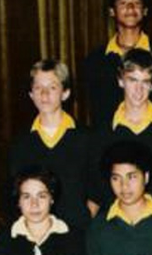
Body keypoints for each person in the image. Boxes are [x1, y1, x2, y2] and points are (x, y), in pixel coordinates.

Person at [87, 50, 152, 214]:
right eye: (132, 80)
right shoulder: (102, 132)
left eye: (145, 82)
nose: (138, 90)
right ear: (120, 81)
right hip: (116, 228)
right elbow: (95, 194)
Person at [8, 59, 95, 228]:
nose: (44, 95)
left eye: (52, 88)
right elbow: (16, 193)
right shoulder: (20, 143)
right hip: (36, 232)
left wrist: (84, 222)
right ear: (31, 94)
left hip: (76, 231)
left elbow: (96, 192)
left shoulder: (87, 138)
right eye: (38, 88)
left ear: (65, 93)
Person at [81, 0, 152, 123]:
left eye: (136, 3)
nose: (130, 8)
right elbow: (96, 112)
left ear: (145, 11)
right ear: (111, 11)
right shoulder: (95, 61)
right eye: (123, 3)